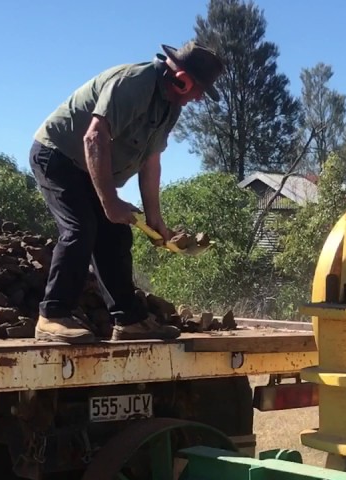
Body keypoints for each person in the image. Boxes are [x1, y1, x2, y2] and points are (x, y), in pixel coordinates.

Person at [29, 41, 225, 343]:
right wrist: (109, 201)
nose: (199, 98)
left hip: (90, 168)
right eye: (199, 89)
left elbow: (151, 163)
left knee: (117, 234)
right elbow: (94, 137)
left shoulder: (170, 107)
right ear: (183, 78)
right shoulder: (135, 83)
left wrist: (156, 220)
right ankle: (52, 316)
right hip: (58, 156)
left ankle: (129, 322)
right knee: (81, 228)